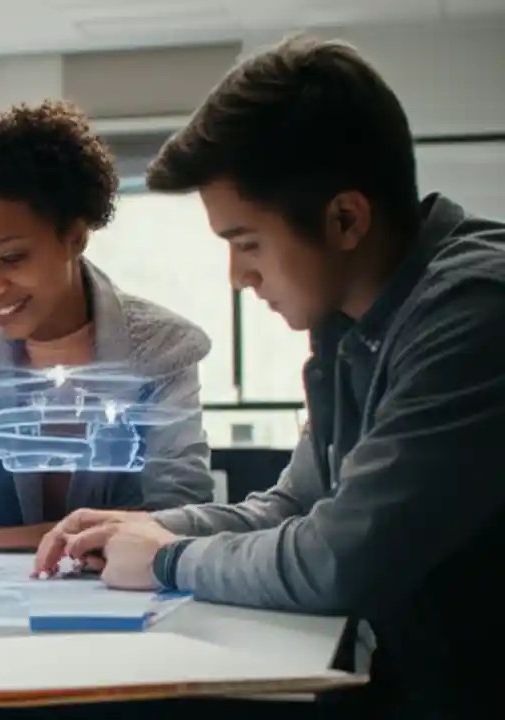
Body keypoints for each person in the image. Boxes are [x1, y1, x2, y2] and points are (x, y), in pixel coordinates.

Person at [34, 35, 505, 718]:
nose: (238, 277)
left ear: (345, 218)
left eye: (247, 243)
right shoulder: (354, 327)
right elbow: (295, 507)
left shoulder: (475, 312)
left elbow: (336, 560)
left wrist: (166, 560)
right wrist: (142, 526)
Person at [0, 100, 214, 556]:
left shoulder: (163, 349)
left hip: (120, 591)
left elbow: (177, 514)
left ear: (75, 237)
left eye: (12, 258)